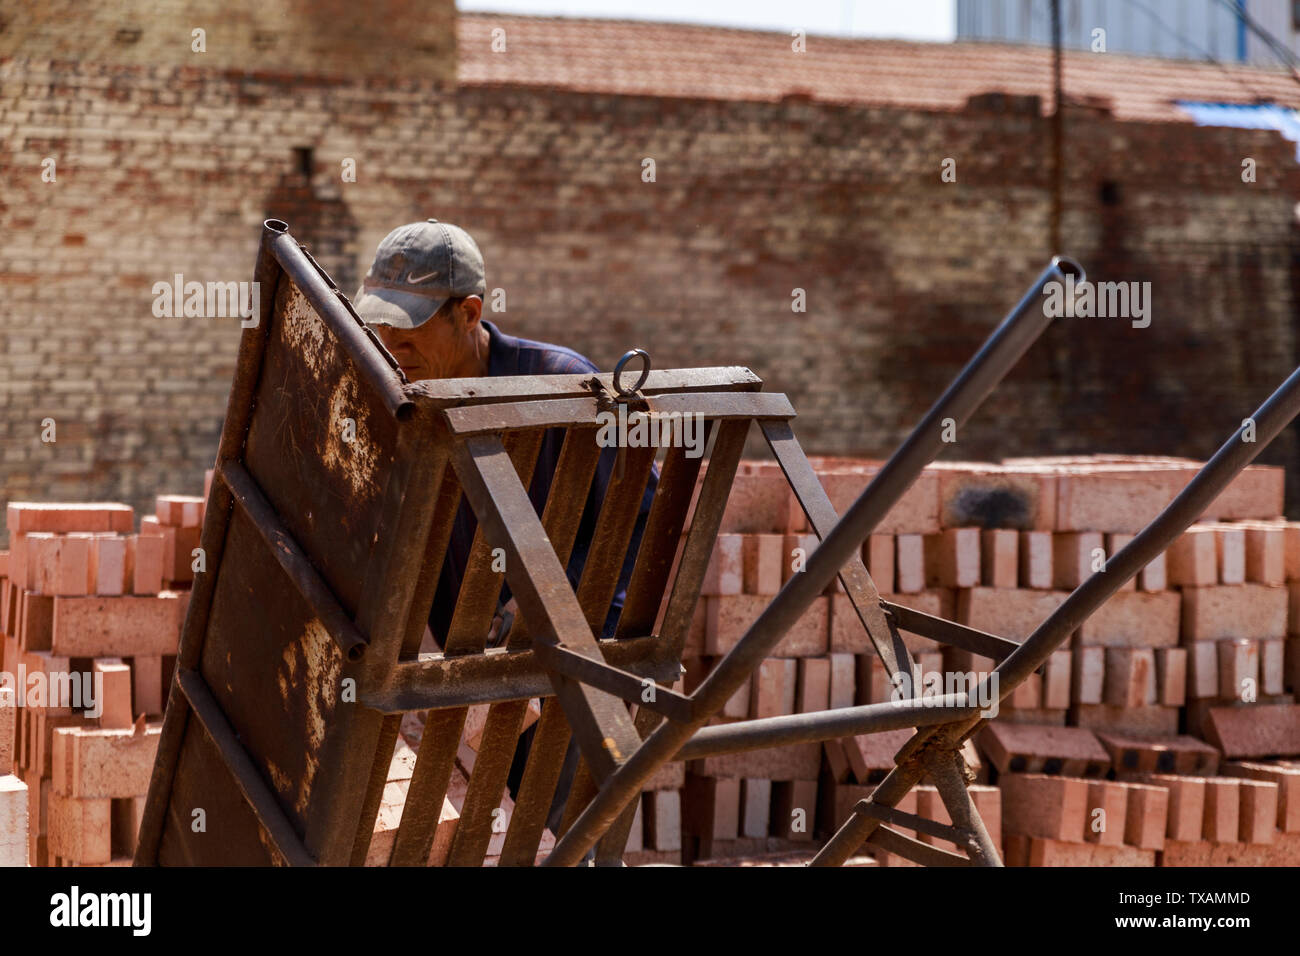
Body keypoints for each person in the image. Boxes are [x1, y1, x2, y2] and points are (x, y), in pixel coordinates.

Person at [353, 218, 656, 830]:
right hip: (463, 675)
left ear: (468, 313)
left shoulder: (561, 386)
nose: (389, 341)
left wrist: (568, 649)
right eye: (378, 321)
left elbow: (635, 532)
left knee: (569, 834)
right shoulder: (398, 403)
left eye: (407, 325)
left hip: (570, 668)